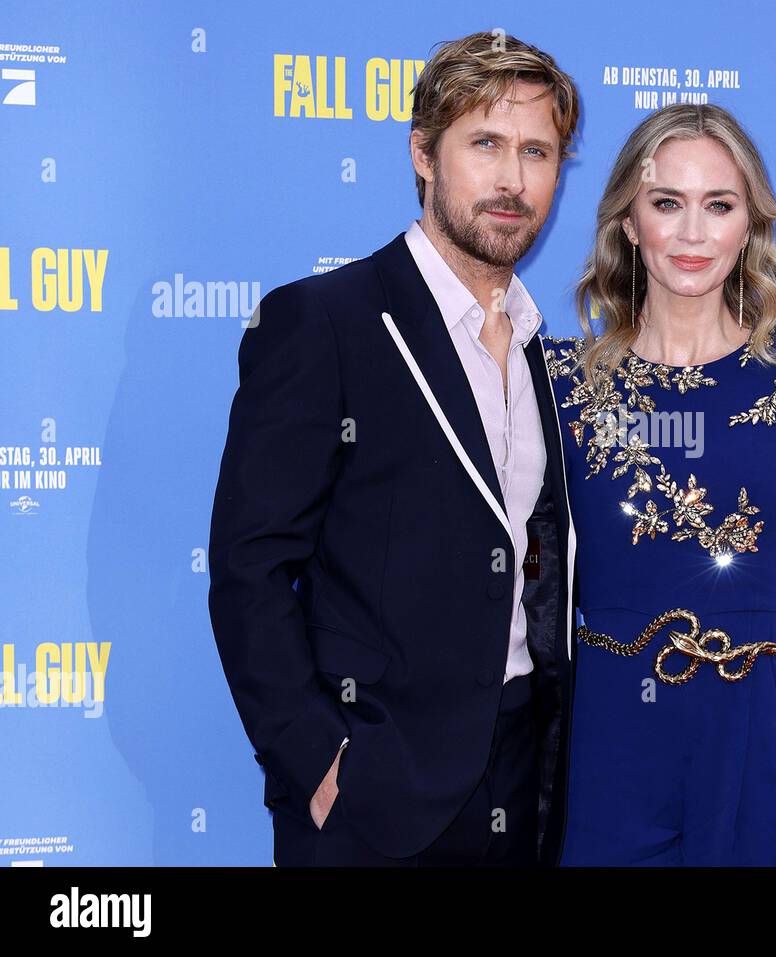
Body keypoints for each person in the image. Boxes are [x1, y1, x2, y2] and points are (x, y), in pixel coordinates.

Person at [207, 32, 581, 866]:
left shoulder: (540, 352)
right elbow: (249, 569)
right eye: (484, 144)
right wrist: (318, 760)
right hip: (372, 792)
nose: (512, 180)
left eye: (537, 151)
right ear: (422, 153)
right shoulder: (324, 322)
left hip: (522, 780)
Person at [543, 102, 776, 865]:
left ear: (747, 224)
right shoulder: (564, 383)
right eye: (668, 203)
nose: (693, 234)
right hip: (609, 742)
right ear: (629, 221)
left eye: (718, 205)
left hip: (755, 740)